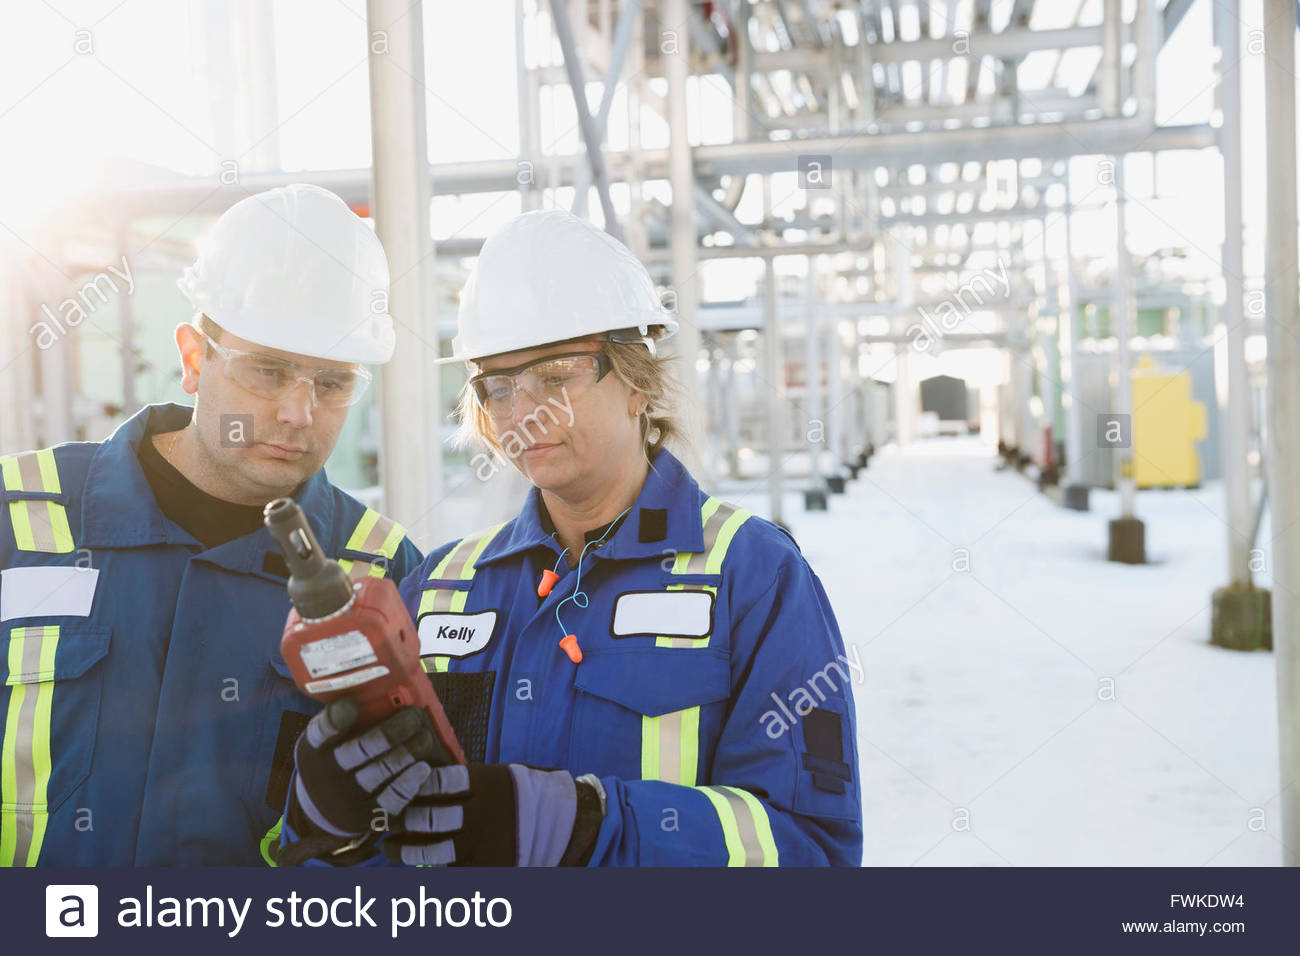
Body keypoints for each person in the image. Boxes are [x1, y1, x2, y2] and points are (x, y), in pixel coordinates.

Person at [284, 209, 862, 867]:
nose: (524, 413)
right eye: (498, 388)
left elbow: (814, 850)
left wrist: (592, 826)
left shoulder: (753, 577)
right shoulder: (441, 587)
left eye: (556, 377)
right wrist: (328, 820)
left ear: (637, 381)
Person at [0, 184, 421, 866]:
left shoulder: (384, 572)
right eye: (268, 371)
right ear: (195, 359)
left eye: (333, 383)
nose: (297, 413)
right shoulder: (19, 518)